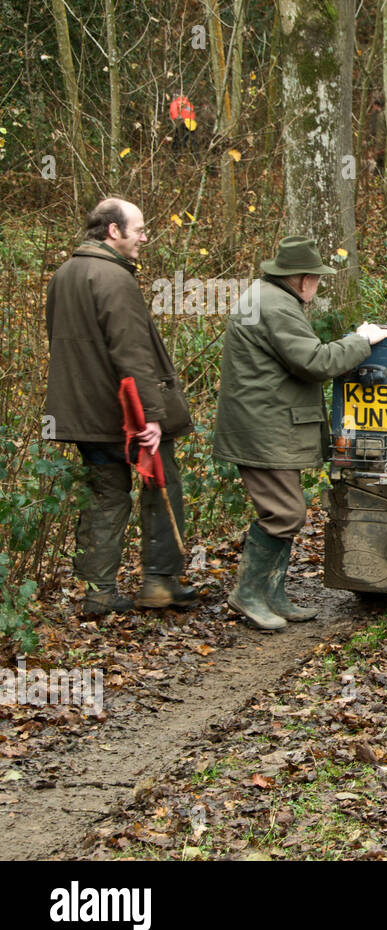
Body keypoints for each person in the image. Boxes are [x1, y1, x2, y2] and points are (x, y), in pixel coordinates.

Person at [214, 237, 387, 630]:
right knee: (285, 512)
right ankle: (248, 594)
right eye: (316, 279)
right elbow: (315, 361)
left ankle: (272, 595)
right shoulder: (275, 306)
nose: (317, 287)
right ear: (302, 279)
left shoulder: (266, 297)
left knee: (285, 513)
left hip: (266, 425)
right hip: (263, 429)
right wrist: (361, 341)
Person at [44, 197, 195, 616]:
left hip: (80, 415)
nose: (145, 238)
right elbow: (132, 356)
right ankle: (159, 582)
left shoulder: (63, 274)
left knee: (106, 497)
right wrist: (150, 418)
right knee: (161, 485)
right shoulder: (114, 278)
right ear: (114, 231)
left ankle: (99, 593)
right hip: (123, 416)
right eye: (140, 229)